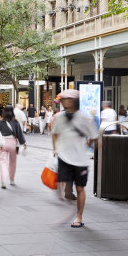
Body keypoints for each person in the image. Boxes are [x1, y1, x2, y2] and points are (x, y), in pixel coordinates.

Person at [52, 89, 95, 228]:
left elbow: (94, 136)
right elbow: (55, 133)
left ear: (75, 101)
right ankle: (66, 199)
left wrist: (86, 145)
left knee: (80, 188)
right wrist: (55, 149)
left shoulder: (83, 118)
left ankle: (79, 216)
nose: (64, 101)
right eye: (63, 99)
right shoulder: (59, 117)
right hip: (64, 156)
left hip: (80, 160)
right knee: (61, 183)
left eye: (67, 99)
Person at [0, 105, 27, 188]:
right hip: (13, 143)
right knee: (12, 163)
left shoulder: (0, 122)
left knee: (3, 163)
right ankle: (12, 179)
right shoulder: (15, 122)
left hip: (3, 143)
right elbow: (19, 134)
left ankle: (3, 181)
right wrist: (23, 143)